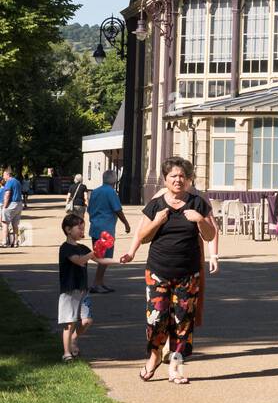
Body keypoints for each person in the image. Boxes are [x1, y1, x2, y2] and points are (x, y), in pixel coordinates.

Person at [120, 156, 216, 385]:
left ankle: (175, 367)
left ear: (189, 179)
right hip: (158, 271)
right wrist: (156, 223)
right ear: (165, 179)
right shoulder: (156, 205)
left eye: (183, 176)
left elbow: (210, 235)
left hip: (188, 273)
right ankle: (153, 357)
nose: (178, 180)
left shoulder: (197, 204)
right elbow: (142, 236)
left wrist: (199, 220)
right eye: (173, 176)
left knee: (183, 322)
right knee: (156, 319)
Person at [59, 210, 116, 362]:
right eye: (80, 228)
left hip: (83, 290)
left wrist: (120, 260)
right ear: (68, 230)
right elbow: (79, 261)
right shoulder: (65, 248)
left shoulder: (83, 247)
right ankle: (66, 353)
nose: (82, 231)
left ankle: (73, 339)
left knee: (87, 321)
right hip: (69, 291)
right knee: (69, 323)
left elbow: (100, 260)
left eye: (83, 228)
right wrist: (94, 251)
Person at [86, 170, 130, 293]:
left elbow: (89, 209)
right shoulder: (111, 192)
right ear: (115, 181)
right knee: (105, 258)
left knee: (100, 257)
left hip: (95, 228)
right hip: (106, 230)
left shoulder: (95, 192)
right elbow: (117, 209)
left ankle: (100, 282)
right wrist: (126, 223)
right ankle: (96, 284)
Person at [1, 168, 24, 248]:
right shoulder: (17, 182)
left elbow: (7, 194)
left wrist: (4, 206)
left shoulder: (9, 182)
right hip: (19, 204)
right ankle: (15, 242)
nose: (3, 177)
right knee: (15, 225)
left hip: (11, 204)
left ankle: (4, 242)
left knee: (5, 223)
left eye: (4, 175)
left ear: (8, 174)